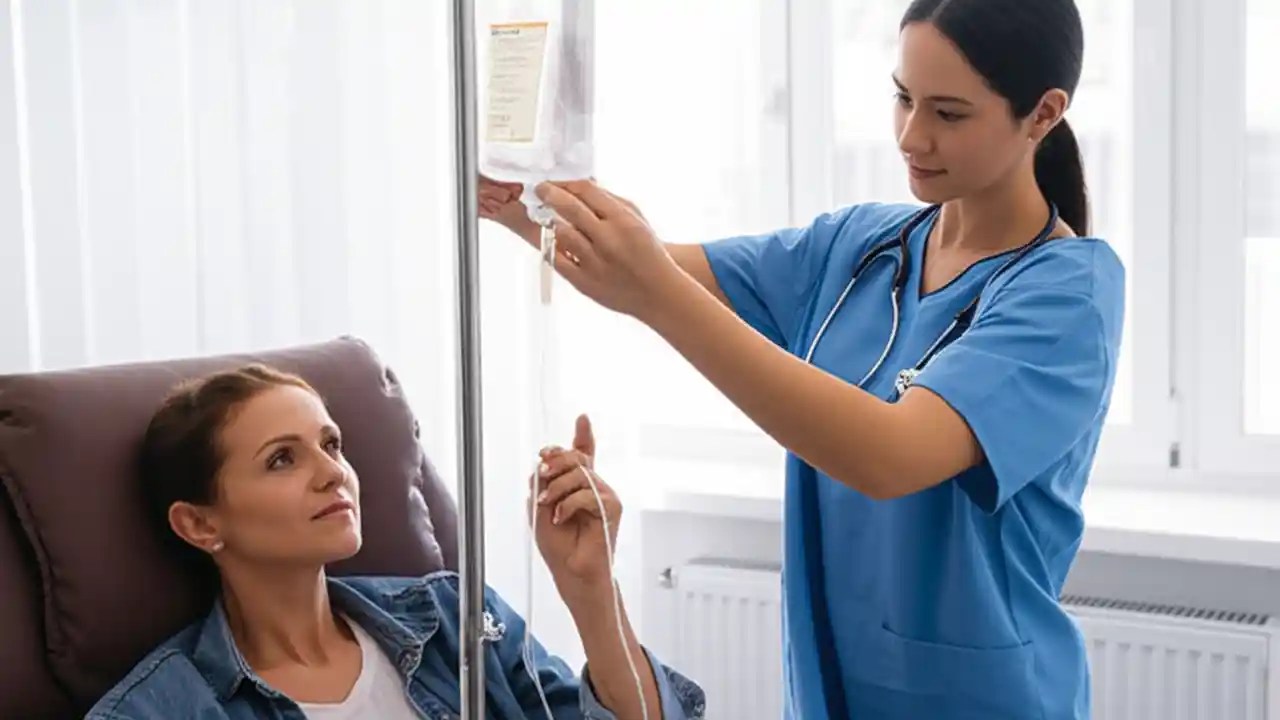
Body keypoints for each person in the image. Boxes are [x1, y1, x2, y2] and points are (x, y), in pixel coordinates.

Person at [481, 0, 1122, 717]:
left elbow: (890, 455)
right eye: (903, 98)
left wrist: (654, 293)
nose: (912, 136)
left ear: (1042, 114)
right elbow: (637, 268)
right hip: (829, 691)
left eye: (949, 113)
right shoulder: (859, 248)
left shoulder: (1069, 292)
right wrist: (513, 198)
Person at [86, 364, 705, 720]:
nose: (333, 472)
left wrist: (590, 589)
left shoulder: (452, 618)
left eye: (331, 444)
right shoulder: (162, 709)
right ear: (200, 524)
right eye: (281, 460)